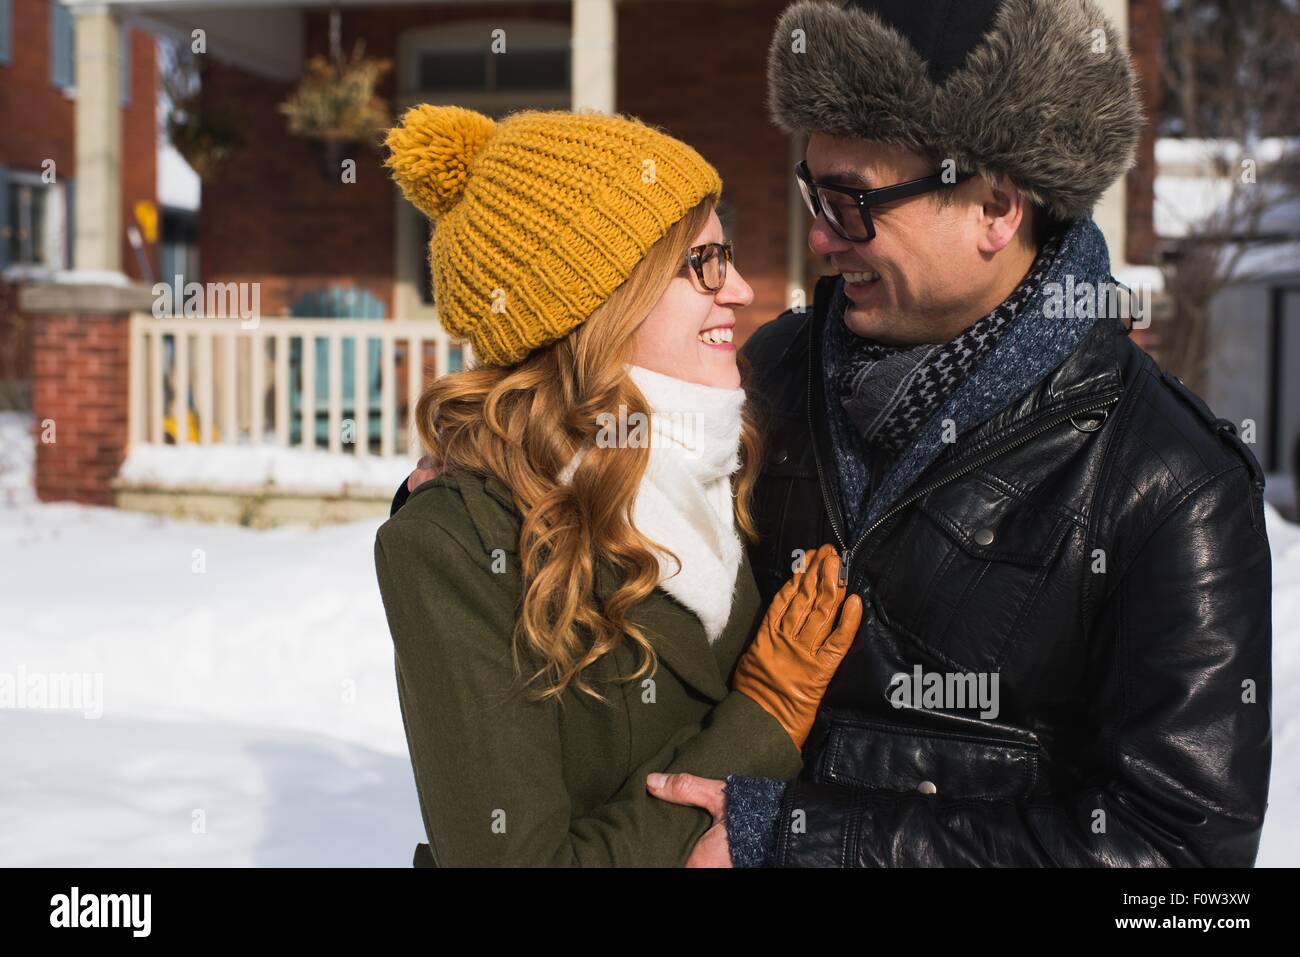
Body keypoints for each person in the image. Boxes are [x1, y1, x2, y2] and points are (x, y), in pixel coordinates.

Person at [645, 0, 1272, 867]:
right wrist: (489, 480)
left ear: (997, 207)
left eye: (853, 202)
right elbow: (621, 505)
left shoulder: (1169, 481)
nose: (822, 235)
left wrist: (800, 837)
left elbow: (1179, 866)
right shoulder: (772, 373)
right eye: (813, 192)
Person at [374, 104, 861, 866]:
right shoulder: (460, 544)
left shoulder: (732, 460)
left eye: (724, 254)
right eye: (703, 261)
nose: (738, 289)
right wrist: (761, 722)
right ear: (604, 300)